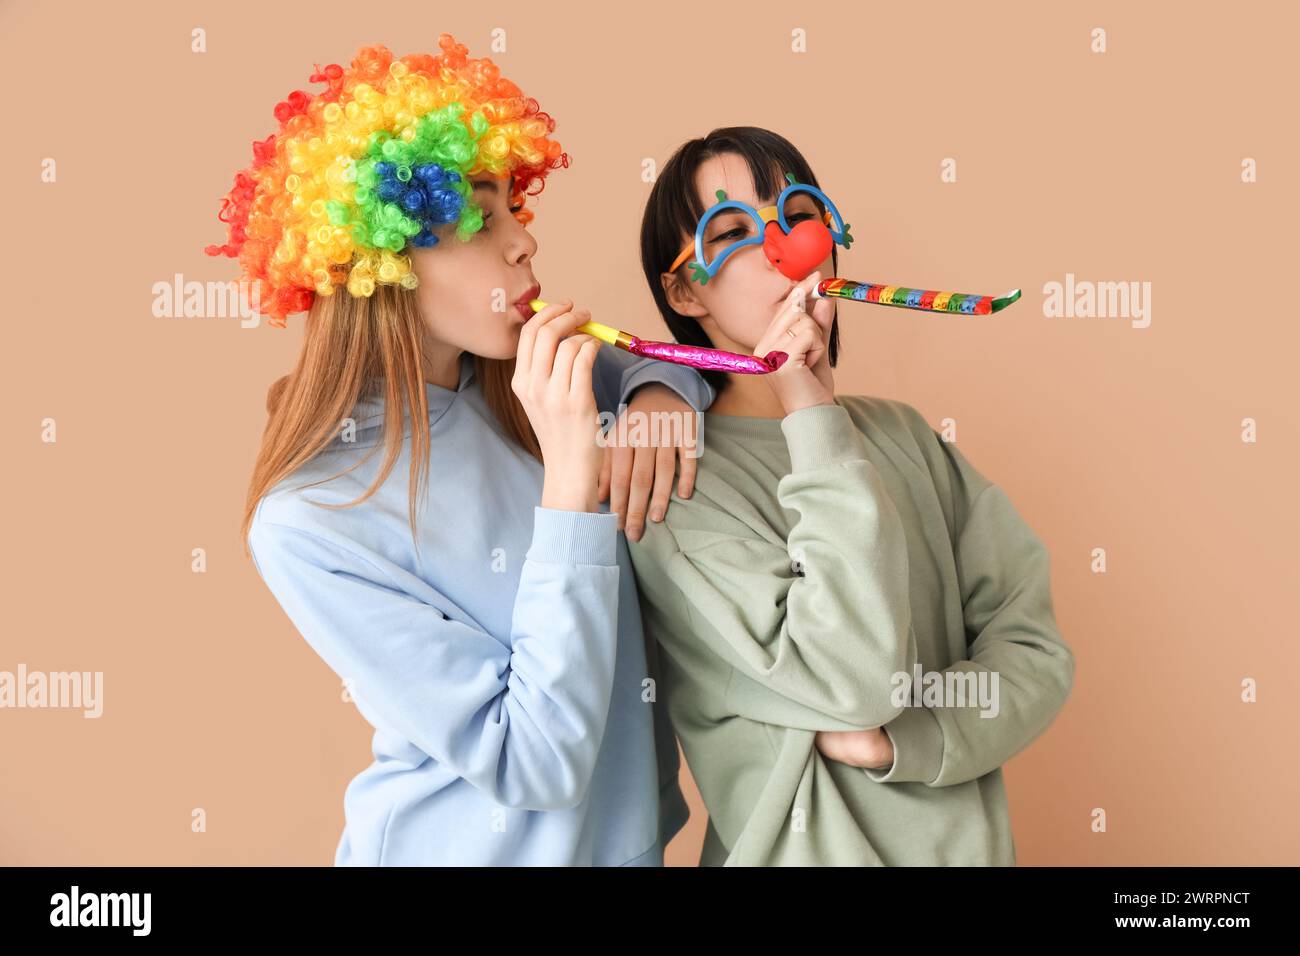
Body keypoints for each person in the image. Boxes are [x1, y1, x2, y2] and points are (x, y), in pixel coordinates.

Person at [209, 36, 713, 865]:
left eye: (515, 206)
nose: (524, 244)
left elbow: (679, 370)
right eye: (479, 214)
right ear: (382, 259)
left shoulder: (527, 385)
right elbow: (534, 760)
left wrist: (655, 398)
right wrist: (571, 485)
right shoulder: (308, 521)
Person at [627, 126, 1075, 865]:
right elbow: (852, 682)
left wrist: (915, 735)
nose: (787, 249)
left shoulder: (906, 436)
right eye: (734, 231)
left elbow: (1034, 650)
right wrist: (809, 414)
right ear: (682, 289)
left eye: (798, 215)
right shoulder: (671, 487)